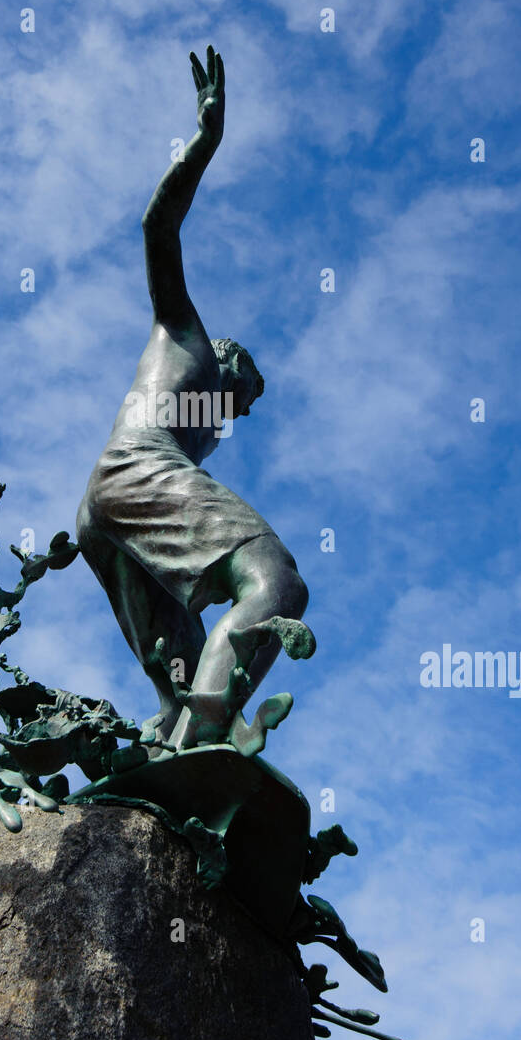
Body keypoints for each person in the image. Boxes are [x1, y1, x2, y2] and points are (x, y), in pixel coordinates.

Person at [76, 46, 314, 752]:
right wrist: (205, 141)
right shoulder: (188, 340)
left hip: (101, 507)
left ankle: (172, 747)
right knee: (276, 584)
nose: (244, 404)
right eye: (248, 387)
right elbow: (159, 232)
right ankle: (209, 738)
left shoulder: (201, 418)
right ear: (231, 360)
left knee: (177, 670)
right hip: (135, 473)